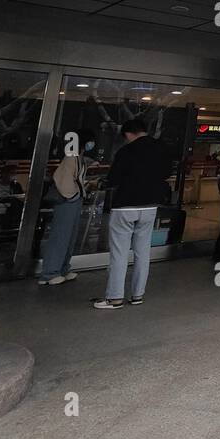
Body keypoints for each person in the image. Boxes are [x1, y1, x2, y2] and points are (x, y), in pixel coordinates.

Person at [95, 119, 171, 309]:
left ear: (128, 134)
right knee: (143, 252)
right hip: (150, 205)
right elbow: (168, 172)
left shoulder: (126, 151)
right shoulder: (161, 148)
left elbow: (113, 178)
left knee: (119, 253)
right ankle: (137, 295)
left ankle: (115, 297)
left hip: (125, 206)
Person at [39, 147, 86, 286]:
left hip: (74, 200)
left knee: (69, 236)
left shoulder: (79, 157)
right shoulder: (71, 157)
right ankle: (49, 273)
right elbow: (63, 180)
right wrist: (73, 195)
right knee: (60, 235)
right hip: (67, 201)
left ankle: (63, 268)